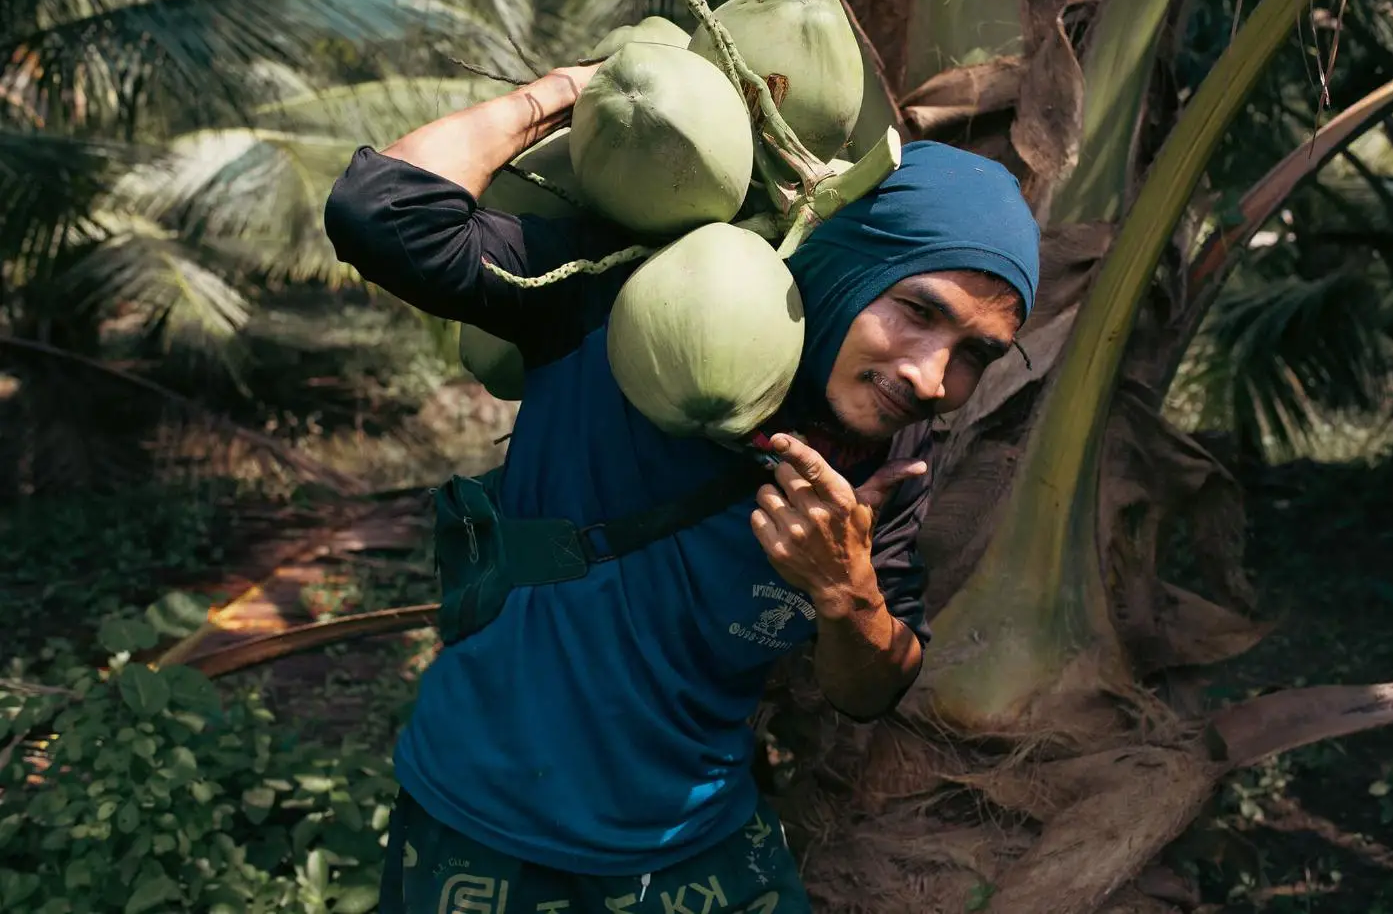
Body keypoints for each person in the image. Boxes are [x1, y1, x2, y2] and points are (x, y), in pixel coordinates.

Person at [322, 60, 1040, 914]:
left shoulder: (886, 436)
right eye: (915, 310)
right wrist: (569, 91)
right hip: (488, 822)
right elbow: (382, 212)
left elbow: (870, 690)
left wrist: (848, 595)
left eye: (973, 355)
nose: (931, 375)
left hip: (699, 843)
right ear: (852, 258)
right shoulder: (629, 295)